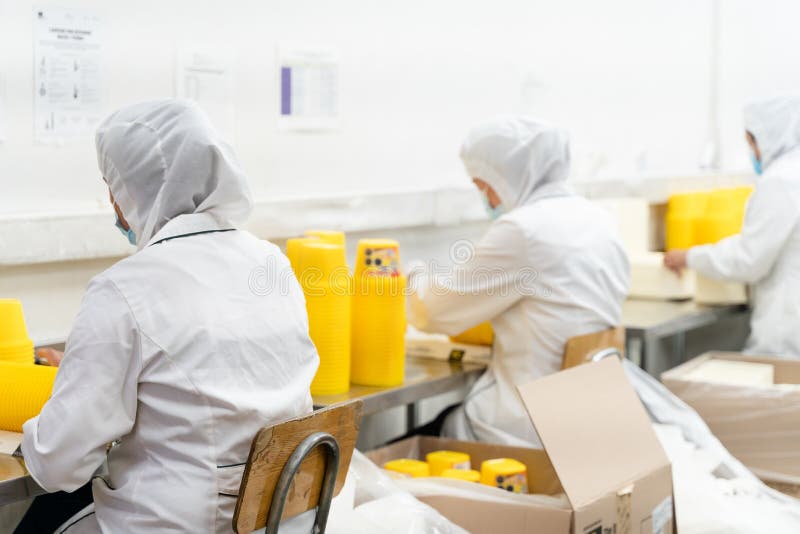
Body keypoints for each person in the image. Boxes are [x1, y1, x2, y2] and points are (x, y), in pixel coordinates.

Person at [18, 100, 319, 533]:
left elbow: (56, 464)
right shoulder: (272, 263)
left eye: (112, 186)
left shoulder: (123, 289)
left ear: (135, 190)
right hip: (279, 522)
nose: (112, 203)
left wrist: (56, 406)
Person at [408, 116, 630, 446]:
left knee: (398, 449)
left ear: (509, 177)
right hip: (589, 414)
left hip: (525, 424)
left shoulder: (524, 230)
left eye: (483, 186)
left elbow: (434, 312)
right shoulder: (598, 219)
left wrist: (410, 276)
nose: (485, 197)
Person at [664, 95, 800, 358]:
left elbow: (748, 259)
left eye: (751, 142)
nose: (753, 153)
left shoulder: (780, 182)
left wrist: (690, 256)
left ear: (767, 137)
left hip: (788, 332)